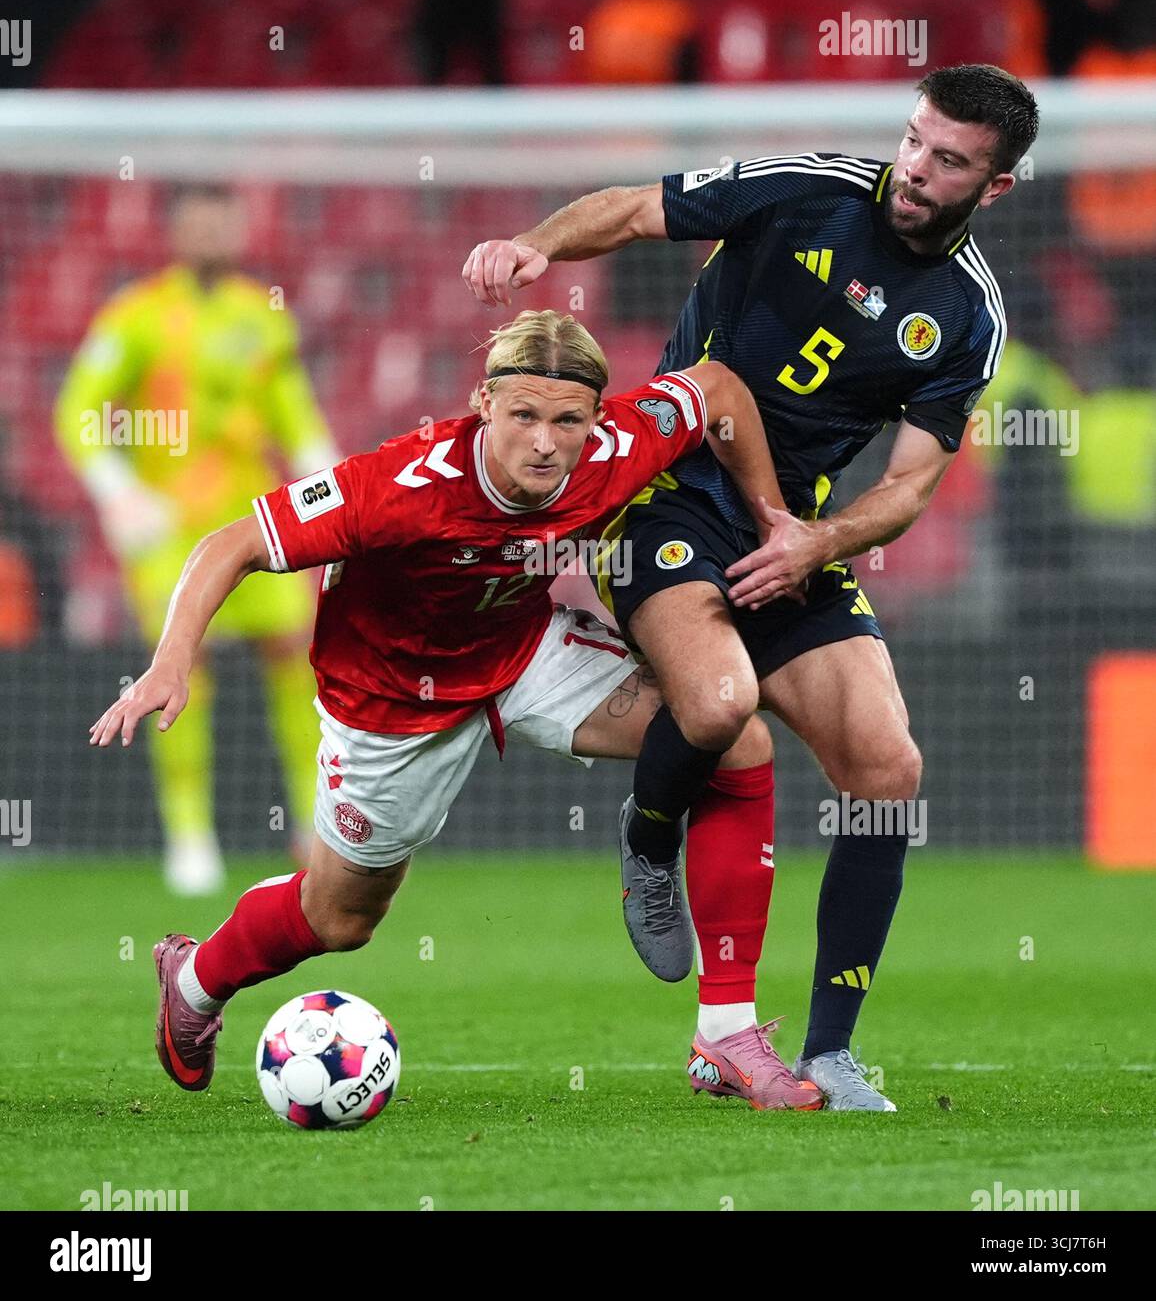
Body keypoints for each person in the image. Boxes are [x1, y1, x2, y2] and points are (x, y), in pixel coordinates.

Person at [462, 64, 1040, 1110]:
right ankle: (646, 838)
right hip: (667, 495)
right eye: (913, 140)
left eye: (948, 160)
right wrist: (542, 244)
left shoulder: (966, 316)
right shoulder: (805, 184)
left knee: (886, 767)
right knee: (723, 705)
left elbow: (910, 485)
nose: (915, 168)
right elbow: (637, 209)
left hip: (789, 530)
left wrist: (817, 541)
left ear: (994, 186)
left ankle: (826, 1050)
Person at [89, 310, 821, 1112]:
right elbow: (231, 543)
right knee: (341, 919)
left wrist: (776, 520)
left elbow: (717, 389)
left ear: (595, 419)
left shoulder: (617, 443)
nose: (545, 442)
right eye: (524, 417)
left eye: (568, 420)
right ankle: (194, 979)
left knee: (732, 735)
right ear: (483, 404)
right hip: (391, 699)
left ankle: (726, 1032)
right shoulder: (400, 487)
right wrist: (170, 661)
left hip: (522, 648)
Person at [56, 185, 336, 894]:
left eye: (223, 219)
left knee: (297, 654)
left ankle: (313, 820)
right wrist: (119, 492)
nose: (212, 232)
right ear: (176, 232)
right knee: (183, 670)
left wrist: (322, 470)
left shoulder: (260, 316)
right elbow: (78, 412)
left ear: (239, 227)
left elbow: (290, 410)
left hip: (254, 522)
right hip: (171, 529)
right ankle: (190, 834)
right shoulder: (138, 315)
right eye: (198, 221)